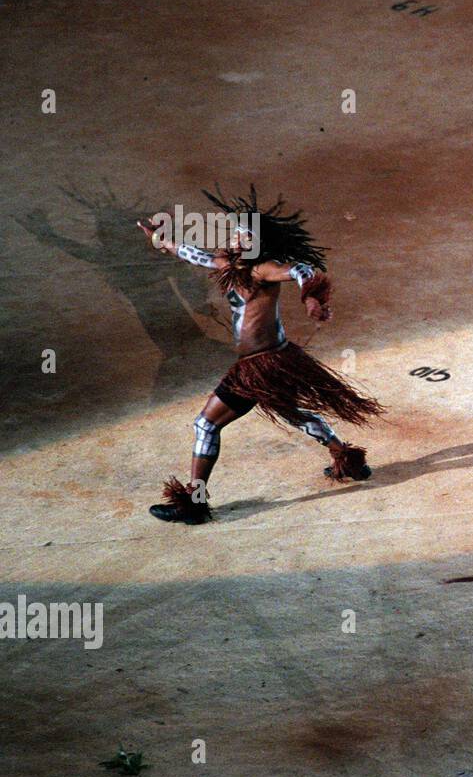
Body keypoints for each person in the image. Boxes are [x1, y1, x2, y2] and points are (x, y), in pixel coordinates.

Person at [139, 186, 383, 525]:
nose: (237, 240)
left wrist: (311, 298)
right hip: (276, 361)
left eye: (245, 236)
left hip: (261, 366)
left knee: (206, 425)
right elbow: (192, 254)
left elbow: (301, 271)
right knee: (292, 413)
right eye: (237, 234)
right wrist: (160, 240)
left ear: (258, 244)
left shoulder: (263, 270)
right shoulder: (229, 265)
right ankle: (348, 460)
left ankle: (192, 505)